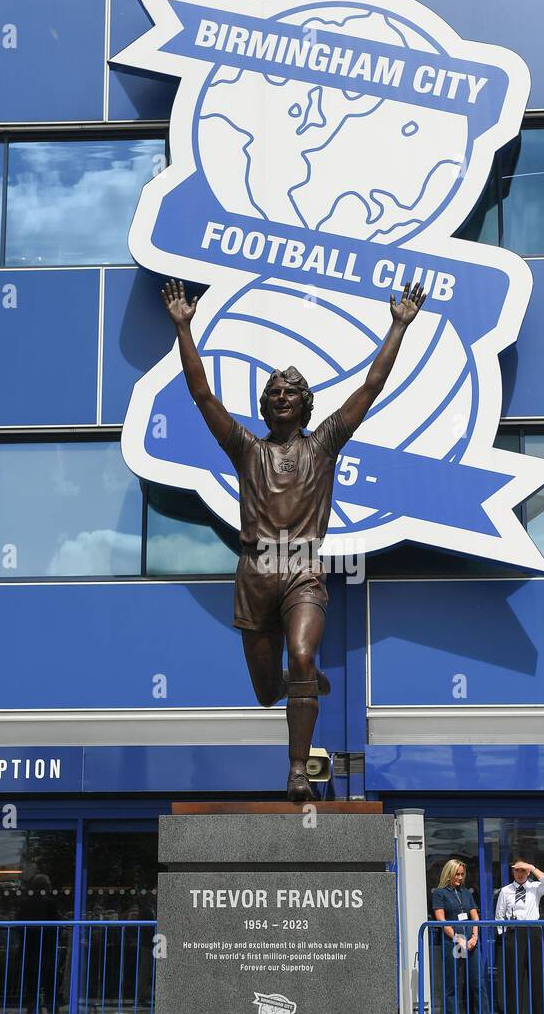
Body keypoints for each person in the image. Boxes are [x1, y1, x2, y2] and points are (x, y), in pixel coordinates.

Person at [162, 276, 427, 799]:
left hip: (304, 570)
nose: (282, 398)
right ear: (264, 406)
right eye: (274, 393)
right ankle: (294, 688)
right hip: (255, 574)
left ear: (306, 406)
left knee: (303, 657)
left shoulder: (324, 444)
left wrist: (397, 327)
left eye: (291, 393)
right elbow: (200, 392)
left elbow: (369, 387)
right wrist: (183, 329)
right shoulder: (245, 449)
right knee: (265, 692)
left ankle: (296, 771)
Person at [430, 858, 492, 1014]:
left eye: (462, 874)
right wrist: (459, 939)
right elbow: (441, 920)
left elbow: (475, 917)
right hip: (453, 942)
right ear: (448, 874)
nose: (459, 877)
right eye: (456, 874)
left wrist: (474, 937)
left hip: (471, 943)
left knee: (477, 982)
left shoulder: (466, 893)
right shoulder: (440, 893)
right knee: (453, 984)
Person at [495, 858, 544, 1014]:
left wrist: (533, 867)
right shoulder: (505, 891)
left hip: (533, 932)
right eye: (517, 871)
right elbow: (499, 916)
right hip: (513, 933)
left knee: (537, 980)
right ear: (512, 872)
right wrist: (505, 936)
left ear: (528, 872)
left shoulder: (535, 887)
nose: (520, 874)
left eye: (523, 871)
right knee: (514, 982)